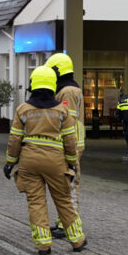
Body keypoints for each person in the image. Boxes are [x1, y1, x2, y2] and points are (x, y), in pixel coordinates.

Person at [4, 66, 85, 254]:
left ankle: (43, 244)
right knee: (64, 199)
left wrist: (10, 163)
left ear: (33, 84)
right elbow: (70, 140)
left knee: (36, 202)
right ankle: (77, 240)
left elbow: (14, 139)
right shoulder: (62, 111)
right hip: (55, 161)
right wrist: (72, 162)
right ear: (52, 85)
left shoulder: (22, 110)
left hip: (28, 161)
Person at [45, 51, 83, 238]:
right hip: (68, 142)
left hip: (71, 143)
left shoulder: (68, 91)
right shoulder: (65, 89)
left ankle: (70, 224)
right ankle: (64, 221)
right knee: (63, 183)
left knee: (70, 183)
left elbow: (67, 119)